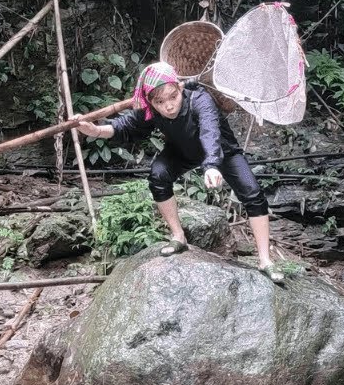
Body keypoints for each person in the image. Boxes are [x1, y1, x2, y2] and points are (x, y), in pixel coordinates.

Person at [74, 62, 284, 283]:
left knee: (252, 191)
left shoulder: (200, 99)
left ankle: (265, 260)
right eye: (160, 102)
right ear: (152, 102)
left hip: (222, 151)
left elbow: (209, 131)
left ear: (180, 88)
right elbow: (126, 125)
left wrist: (212, 164)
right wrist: (95, 130)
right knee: (158, 174)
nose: (169, 106)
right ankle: (178, 236)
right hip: (183, 152)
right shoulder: (152, 111)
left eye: (172, 97)